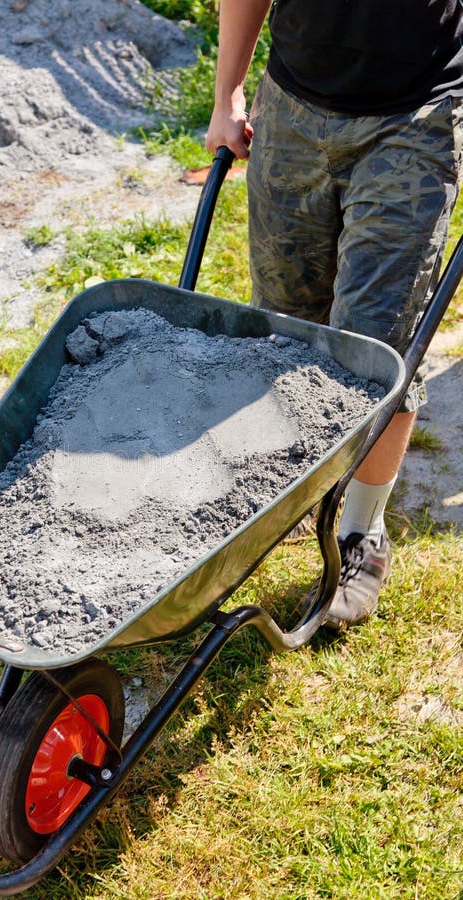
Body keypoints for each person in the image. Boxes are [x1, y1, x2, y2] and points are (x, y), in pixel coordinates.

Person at [206, 0, 463, 629]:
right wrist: (227, 93)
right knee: (285, 328)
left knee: (375, 347)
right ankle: (281, 495)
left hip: (415, 116)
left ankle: (361, 532)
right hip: (293, 109)